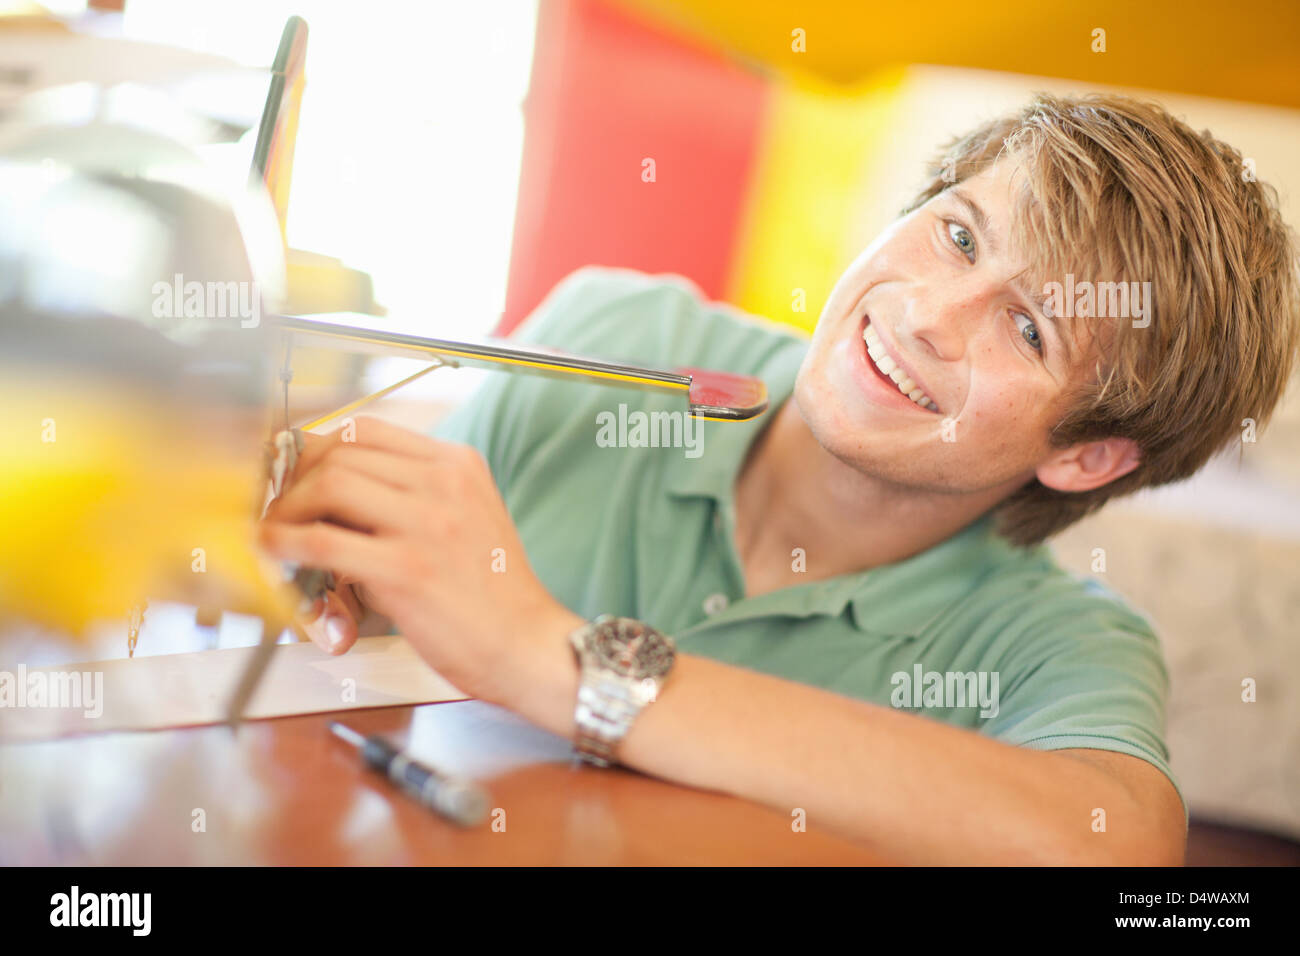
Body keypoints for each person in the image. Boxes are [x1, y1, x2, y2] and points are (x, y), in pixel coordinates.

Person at [260, 93, 1299, 864]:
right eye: (957, 233)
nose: (928, 313)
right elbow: (362, 625)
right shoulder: (620, 335)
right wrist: (318, 562)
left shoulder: (1051, 645)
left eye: (1027, 327)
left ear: (1083, 455)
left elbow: (1114, 844)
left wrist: (560, 663)